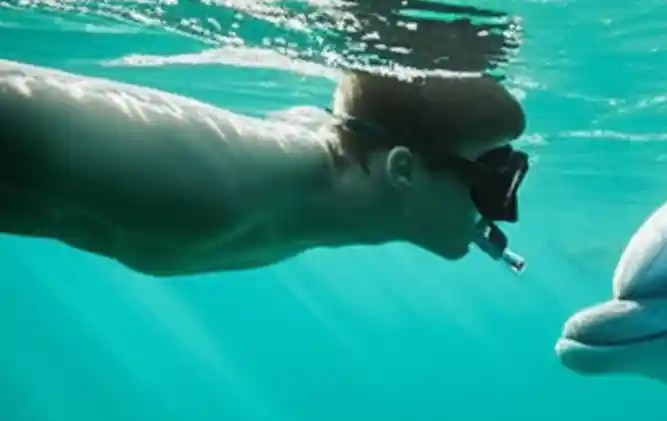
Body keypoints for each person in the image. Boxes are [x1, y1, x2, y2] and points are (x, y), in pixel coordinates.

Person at [0, 59, 530, 276]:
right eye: (493, 179)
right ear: (403, 171)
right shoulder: (211, 188)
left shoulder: (322, 190)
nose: (505, 211)